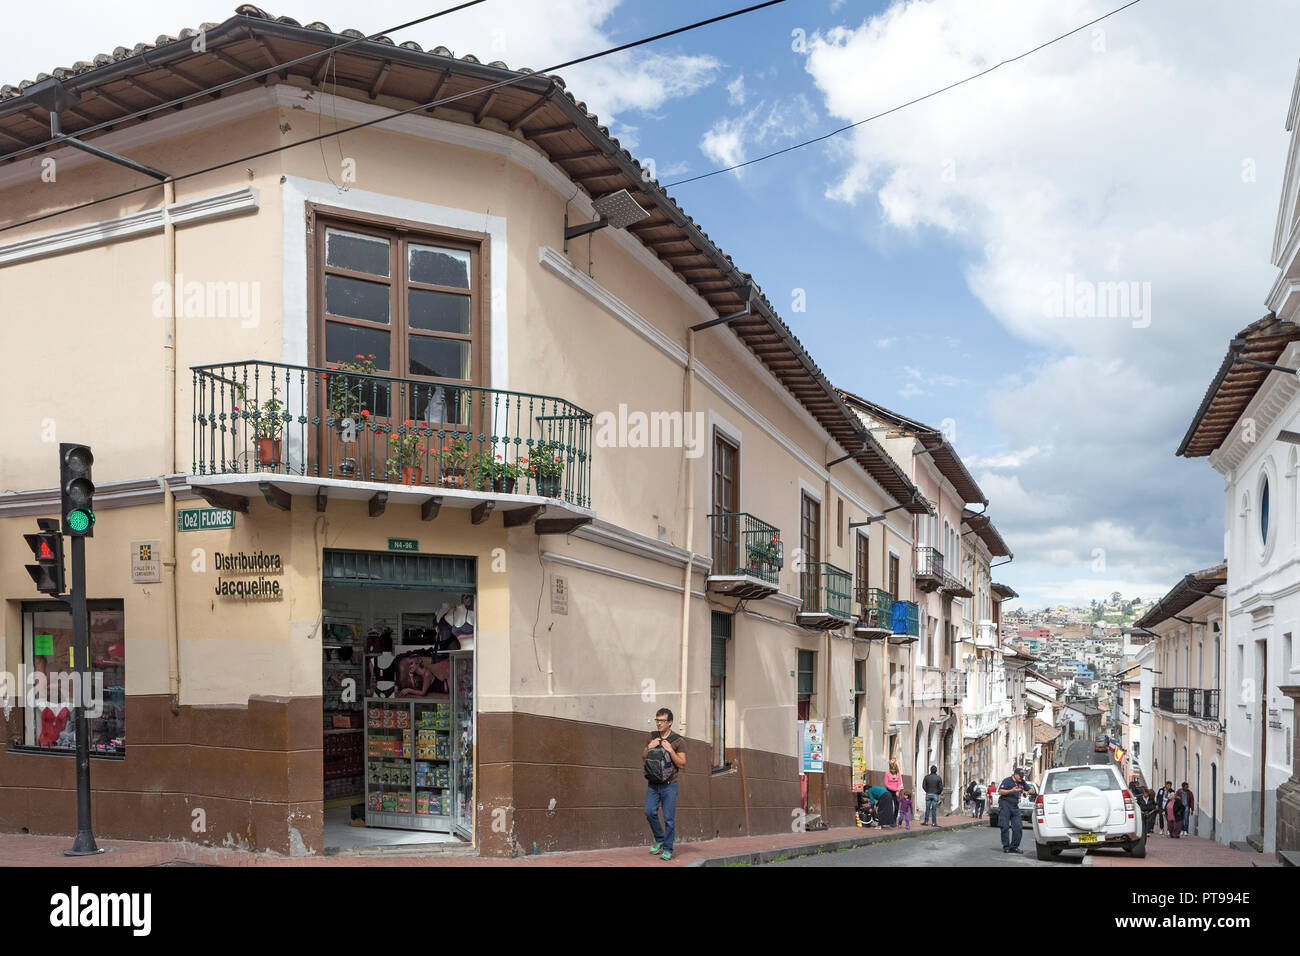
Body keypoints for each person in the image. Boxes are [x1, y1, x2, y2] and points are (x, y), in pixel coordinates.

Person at [643, 707, 686, 861]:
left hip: (669, 785)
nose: (659, 723)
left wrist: (670, 750)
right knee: (649, 812)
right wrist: (649, 747)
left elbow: (681, 764)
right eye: (657, 720)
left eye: (662, 721)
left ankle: (668, 848)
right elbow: (643, 757)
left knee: (668, 818)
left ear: (670, 723)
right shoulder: (651, 737)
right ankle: (660, 838)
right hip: (653, 784)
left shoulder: (678, 741)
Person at [997, 767, 1028, 853]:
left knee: (1018, 827)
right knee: (1005, 826)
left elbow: (1031, 790)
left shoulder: (1022, 782)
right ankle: (1006, 846)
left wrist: (1027, 792)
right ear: (1015, 774)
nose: (1022, 778)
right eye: (1020, 776)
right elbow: (1000, 791)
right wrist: (1011, 790)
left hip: (1015, 806)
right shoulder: (1007, 781)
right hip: (1005, 804)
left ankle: (1014, 847)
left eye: (1023, 776)